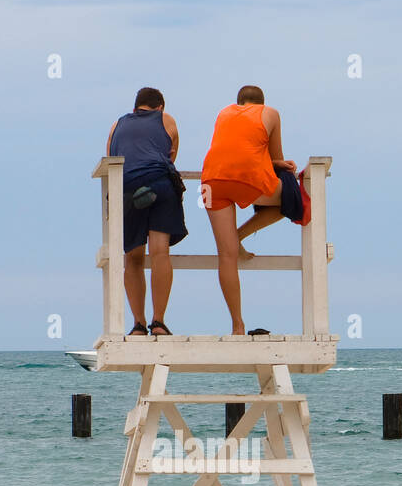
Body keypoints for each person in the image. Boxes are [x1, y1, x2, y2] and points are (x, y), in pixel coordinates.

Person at [200, 85, 297, 334]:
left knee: (226, 255)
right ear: (261, 103)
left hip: (212, 182)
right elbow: (277, 158)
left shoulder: (223, 113)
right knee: (289, 203)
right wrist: (282, 164)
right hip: (249, 180)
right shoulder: (271, 113)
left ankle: (237, 325)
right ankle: (239, 236)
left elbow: (230, 148)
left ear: (239, 102)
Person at [107, 87, 187, 336]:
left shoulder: (116, 124)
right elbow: (171, 156)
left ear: (135, 108)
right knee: (160, 252)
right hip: (158, 185)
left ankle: (138, 324)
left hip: (127, 188)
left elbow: (111, 155)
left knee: (133, 257)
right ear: (160, 107)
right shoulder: (167, 119)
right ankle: (159, 322)